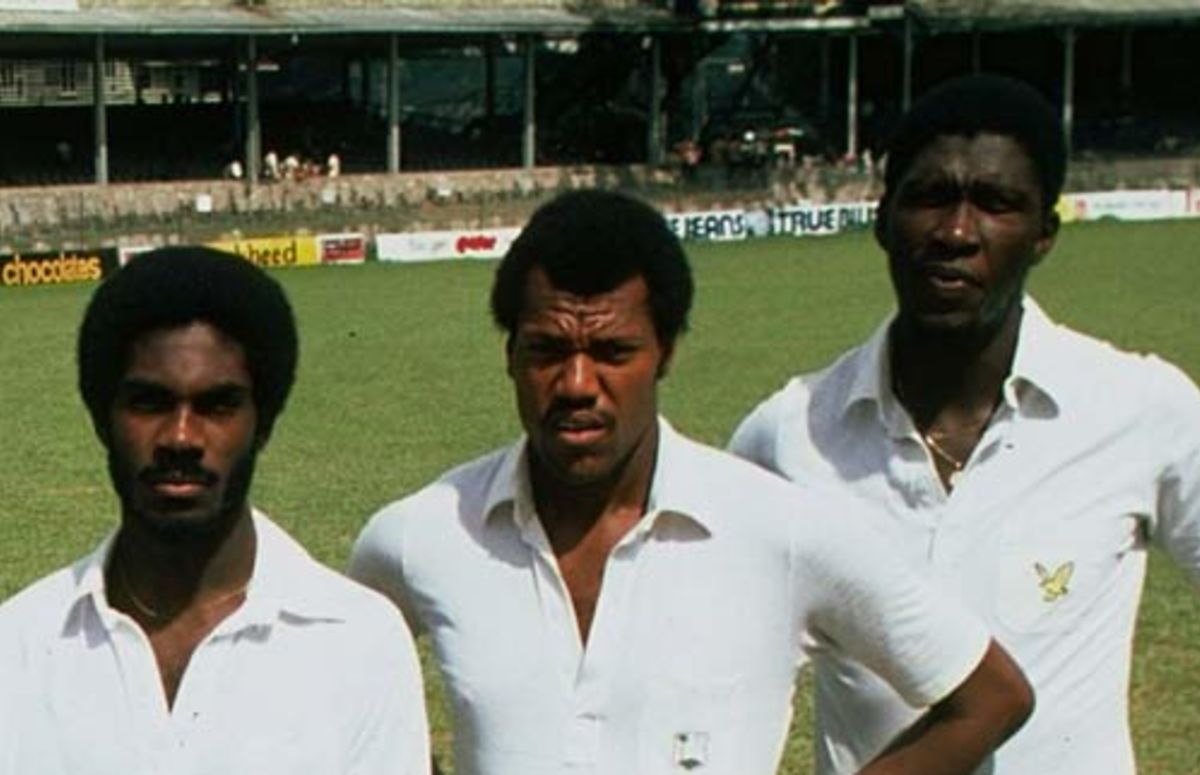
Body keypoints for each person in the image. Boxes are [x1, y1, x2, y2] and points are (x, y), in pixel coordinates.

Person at [351, 189, 1034, 775]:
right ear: (510, 354)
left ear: (666, 352)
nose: (578, 384)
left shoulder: (779, 529)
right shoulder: (421, 535)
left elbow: (990, 693)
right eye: (548, 350)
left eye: (614, 351)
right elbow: (339, 690)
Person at [729, 74, 1200, 775]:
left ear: (1044, 233)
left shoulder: (1139, 408)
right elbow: (712, 666)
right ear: (883, 218)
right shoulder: (787, 436)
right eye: (930, 197)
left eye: (996, 203)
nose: (956, 232)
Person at [0, 246, 430, 774]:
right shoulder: (18, 644)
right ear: (100, 418)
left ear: (263, 423)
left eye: (217, 406)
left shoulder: (359, 641)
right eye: (149, 402)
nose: (181, 437)